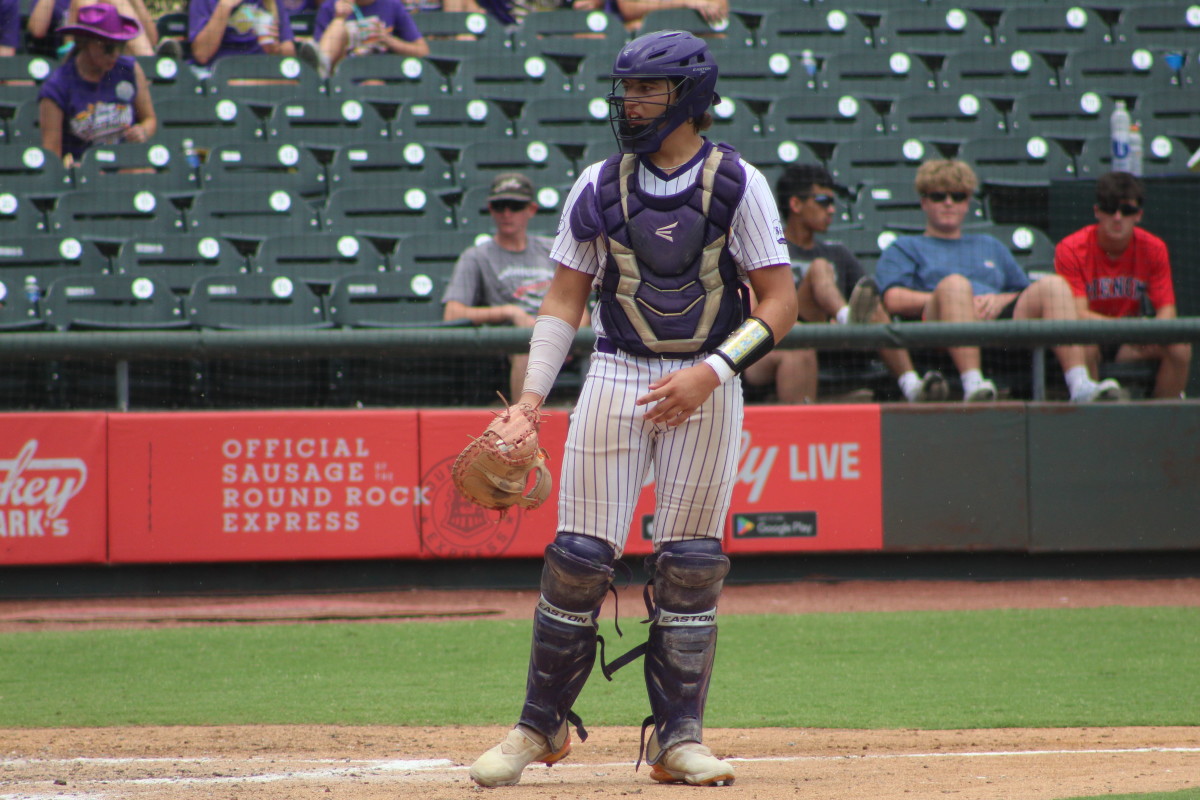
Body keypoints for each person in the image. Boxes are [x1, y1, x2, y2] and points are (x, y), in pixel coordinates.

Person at [467, 29, 796, 789]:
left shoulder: (737, 182)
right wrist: (528, 403)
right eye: (628, 90)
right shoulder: (598, 182)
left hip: (706, 385)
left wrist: (711, 373)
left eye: (646, 90)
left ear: (688, 95)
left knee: (689, 565)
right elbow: (563, 299)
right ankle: (537, 727)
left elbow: (781, 302)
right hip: (615, 374)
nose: (631, 102)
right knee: (578, 560)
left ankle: (677, 740)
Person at [874, 159, 1121, 403]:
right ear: (924, 202)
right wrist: (961, 301)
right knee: (955, 285)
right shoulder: (905, 246)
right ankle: (974, 385)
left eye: (958, 196)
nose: (949, 203)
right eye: (939, 196)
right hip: (939, 330)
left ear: (968, 202)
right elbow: (892, 299)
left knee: (1053, 286)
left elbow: (1024, 291)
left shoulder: (989, 244)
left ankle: (1080, 385)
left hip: (998, 330)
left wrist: (999, 298)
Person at [744, 164, 949, 404]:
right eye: (822, 201)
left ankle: (911, 384)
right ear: (796, 204)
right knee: (820, 268)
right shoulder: (772, 250)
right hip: (786, 333)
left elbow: (869, 296)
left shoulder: (839, 253)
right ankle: (846, 317)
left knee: (871, 307)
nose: (831, 210)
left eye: (833, 202)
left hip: (835, 342)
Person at [1054, 171, 1191, 399]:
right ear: (1097, 211)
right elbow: (1076, 314)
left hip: (1129, 341)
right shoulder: (1070, 248)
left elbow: (1167, 311)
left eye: (1126, 211)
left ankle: (1162, 421)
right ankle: (1096, 421)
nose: (1117, 217)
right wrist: (1126, 329)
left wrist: (1148, 332)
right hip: (1090, 337)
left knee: (1179, 346)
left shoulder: (1154, 248)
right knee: (1082, 344)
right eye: (1109, 209)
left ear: (1138, 215)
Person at [442, 172, 566, 402]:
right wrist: (510, 312)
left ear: (531, 209)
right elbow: (452, 313)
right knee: (526, 349)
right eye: (500, 206)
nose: (507, 213)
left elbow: (581, 312)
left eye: (515, 206)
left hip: (557, 332)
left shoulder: (551, 251)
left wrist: (562, 334)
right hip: (517, 340)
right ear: (490, 209)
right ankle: (524, 425)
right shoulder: (476, 256)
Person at [38, 3, 157, 165]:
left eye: (120, 46)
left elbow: (150, 119)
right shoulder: (58, 86)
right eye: (108, 48)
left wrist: (143, 131)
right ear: (84, 43)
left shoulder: (130, 70)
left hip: (127, 164)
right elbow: (52, 155)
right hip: (85, 172)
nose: (115, 54)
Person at [312, 0, 427, 74]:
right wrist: (340, 17)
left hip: (379, 70)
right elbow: (316, 55)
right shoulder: (330, 6)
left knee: (373, 84)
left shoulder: (392, 5)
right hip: (342, 70)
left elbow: (422, 51)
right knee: (338, 25)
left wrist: (390, 41)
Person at [189, 0, 296, 66]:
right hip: (219, 69)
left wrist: (276, 50)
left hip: (260, 70)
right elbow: (202, 55)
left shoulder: (271, 2)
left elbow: (289, 50)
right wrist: (224, 6)